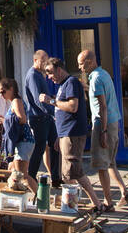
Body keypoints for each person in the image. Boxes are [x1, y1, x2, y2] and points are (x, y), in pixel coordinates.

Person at [42, 58, 105, 211]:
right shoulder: (63, 85)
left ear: (59, 69)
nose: (49, 77)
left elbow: (73, 106)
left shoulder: (71, 83)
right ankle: (77, 203)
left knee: (72, 172)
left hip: (73, 133)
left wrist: (51, 101)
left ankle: (87, 204)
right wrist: (59, 135)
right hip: (66, 134)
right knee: (70, 172)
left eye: (50, 73)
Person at [80, 49, 128, 208]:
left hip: (103, 124)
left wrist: (102, 132)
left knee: (102, 166)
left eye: (81, 64)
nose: (80, 68)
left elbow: (102, 107)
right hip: (113, 122)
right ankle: (124, 192)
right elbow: (104, 99)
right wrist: (86, 87)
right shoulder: (103, 75)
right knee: (110, 162)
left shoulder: (96, 79)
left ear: (89, 62)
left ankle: (108, 201)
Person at [24, 49, 61, 187]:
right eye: (43, 60)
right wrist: (53, 112)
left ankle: (56, 178)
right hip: (38, 117)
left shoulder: (40, 75)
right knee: (39, 148)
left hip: (47, 117)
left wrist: (53, 100)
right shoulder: (33, 75)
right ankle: (31, 177)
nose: (46, 63)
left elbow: (45, 96)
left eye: (47, 60)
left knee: (55, 145)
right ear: (35, 60)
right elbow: (38, 100)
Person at [0, 78, 34, 188]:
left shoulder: (16, 101)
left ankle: (41, 199)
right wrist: (4, 119)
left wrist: (4, 120)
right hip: (23, 141)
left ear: (11, 89)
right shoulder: (15, 101)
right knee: (15, 173)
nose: (1, 95)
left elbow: (22, 119)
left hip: (24, 141)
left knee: (23, 176)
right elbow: (15, 120)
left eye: (3, 91)